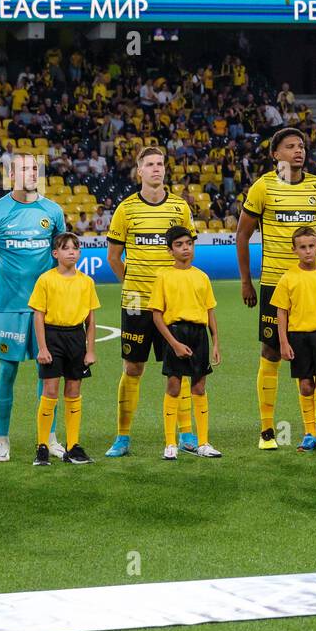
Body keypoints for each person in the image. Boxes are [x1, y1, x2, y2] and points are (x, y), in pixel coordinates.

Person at [238, 128, 316, 450]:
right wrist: (246, 281)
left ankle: (312, 431)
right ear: (275, 154)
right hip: (275, 285)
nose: (298, 151)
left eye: (302, 146)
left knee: (311, 354)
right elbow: (241, 235)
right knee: (272, 351)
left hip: (310, 286)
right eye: (290, 146)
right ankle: (268, 431)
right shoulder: (263, 187)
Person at [0, 152, 67, 462]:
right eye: (24, 168)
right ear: (11, 174)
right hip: (9, 307)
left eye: (35, 168)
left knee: (47, 374)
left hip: (46, 309)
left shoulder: (52, 212)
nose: (30, 173)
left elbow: (60, 258)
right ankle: (2, 440)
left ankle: (48, 438)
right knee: (7, 373)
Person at [105, 146, 198, 457]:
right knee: (133, 367)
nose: (157, 169)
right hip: (136, 300)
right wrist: (132, 284)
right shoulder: (126, 209)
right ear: (139, 171)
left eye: (160, 164)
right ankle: (123, 437)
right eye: (150, 165)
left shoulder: (180, 208)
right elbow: (114, 257)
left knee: (178, 368)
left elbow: (187, 251)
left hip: (173, 302)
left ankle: (185, 433)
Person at [149, 226, 222, 459]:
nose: (185, 249)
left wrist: (216, 342)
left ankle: (203, 443)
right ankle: (170, 444)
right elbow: (157, 315)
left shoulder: (202, 276)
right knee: (173, 386)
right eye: (179, 245)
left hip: (199, 334)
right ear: (170, 250)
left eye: (188, 244)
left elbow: (210, 311)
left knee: (199, 387)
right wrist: (173, 343)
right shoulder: (163, 276)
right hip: (175, 333)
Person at [28, 232, 100, 465]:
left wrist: (90, 350)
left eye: (75, 247)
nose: (71, 251)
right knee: (50, 390)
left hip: (76, 338)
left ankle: (73, 446)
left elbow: (90, 320)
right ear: (55, 253)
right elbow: (38, 316)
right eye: (65, 247)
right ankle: (42, 446)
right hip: (53, 336)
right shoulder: (46, 280)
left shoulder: (86, 282)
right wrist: (42, 347)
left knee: (73, 391)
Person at [272, 227, 316, 452]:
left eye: (311, 246)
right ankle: (310, 433)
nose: (308, 251)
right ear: (294, 250)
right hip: (298, 336)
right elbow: (281, 312)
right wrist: (283, 341)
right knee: (305, 385)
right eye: (302, 247)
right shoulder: (288, 278)